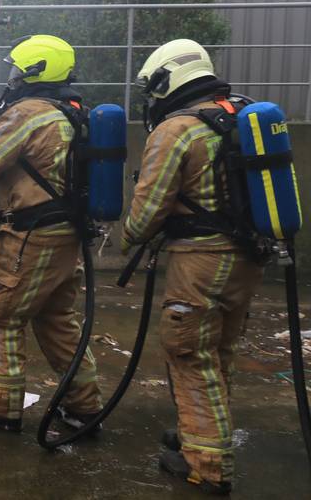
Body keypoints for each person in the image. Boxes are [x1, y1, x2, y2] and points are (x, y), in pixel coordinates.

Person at [122, 38, 259, 495]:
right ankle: (199, 431)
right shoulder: (242, 114)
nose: (153, 98)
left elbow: (147, 213)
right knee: (218, 351)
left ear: (168, 78)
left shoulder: (176, 130)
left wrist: (125, 239)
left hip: (201, 262)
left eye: (154, 87)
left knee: (188, 353)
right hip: (247, 257)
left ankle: (207, 464)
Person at [0, 34, 101, 432]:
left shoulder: (28, 113)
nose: (13, 76)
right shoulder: (73, 112)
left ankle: (0, 408)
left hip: (30, 237)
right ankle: (85, 407)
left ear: (36, 69)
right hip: (67, 236)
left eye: (19, 68)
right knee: (57, 320)